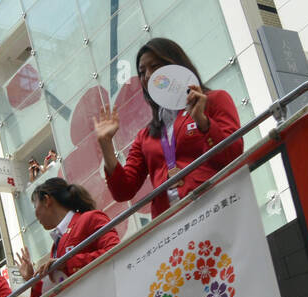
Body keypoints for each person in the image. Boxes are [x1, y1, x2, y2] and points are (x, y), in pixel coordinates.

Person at [95, 37, 243, 219]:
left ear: (176, 65)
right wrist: (106, 145)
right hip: (171, 226)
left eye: (155, 66)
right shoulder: (146, 136)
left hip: (215, 208)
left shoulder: (214, 100)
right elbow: (124, 191)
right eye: (142, 72)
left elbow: (234, 154)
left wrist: (203, 122)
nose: (148, 76)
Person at [18, 178, 121, 297]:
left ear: (46, 200)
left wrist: (67, 263)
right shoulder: (55, 245)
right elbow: (56, 288)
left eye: (35, 207)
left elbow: (116, 250)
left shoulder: (90, 218)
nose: (35, 215)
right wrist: (31, 280)